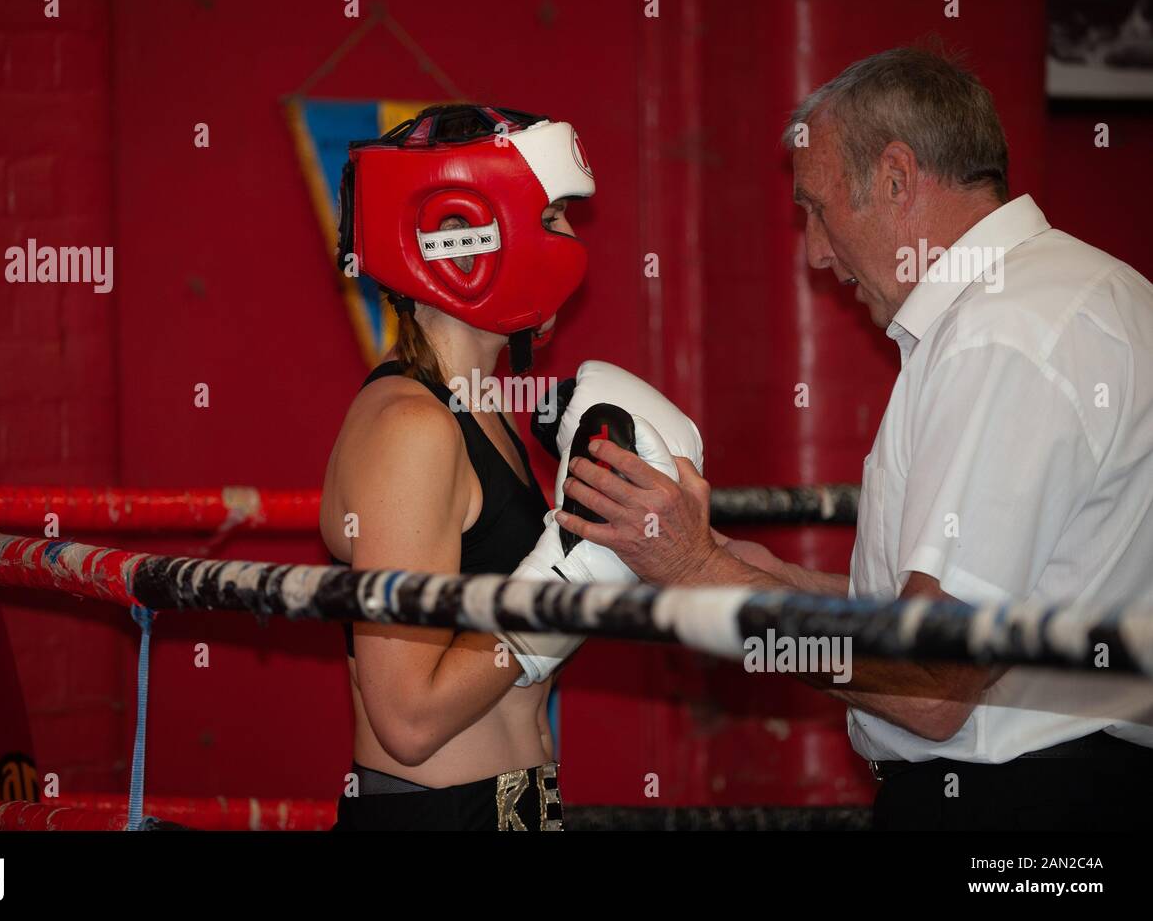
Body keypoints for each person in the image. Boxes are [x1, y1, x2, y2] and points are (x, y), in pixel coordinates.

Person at [551, 47, 1153, 830]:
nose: (816, 252)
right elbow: (951, 618)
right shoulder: (1085, 291)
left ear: (898, 179)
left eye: (819, 208)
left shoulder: (1002, 336)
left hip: (1021, 809)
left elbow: (926, 683)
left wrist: (701, 574)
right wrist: (738, 567)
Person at [319, 104, 592, 830]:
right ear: (469, 232)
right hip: (441, 813)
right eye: (554, 216)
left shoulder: (481, 410)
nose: (568, 241)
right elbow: (407, 716)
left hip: (511, 803)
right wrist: (553, 594)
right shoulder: (413, 429)